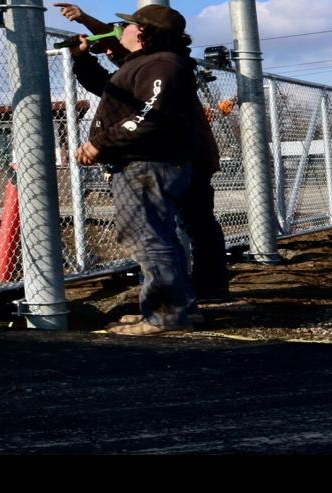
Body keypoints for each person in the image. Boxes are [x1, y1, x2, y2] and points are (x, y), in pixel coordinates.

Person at [55, 3, 228, 311]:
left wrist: (102, 142)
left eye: (129, 26)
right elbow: (109, 85)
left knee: (163, 233)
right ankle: (185, 297)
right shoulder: (144, 64)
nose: (121, 31)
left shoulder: (160, 65)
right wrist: (82, 55)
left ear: (144, 34)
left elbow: (149, 113)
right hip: (170, 155)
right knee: (169, 232)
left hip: (170, 158)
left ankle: (173, 307)